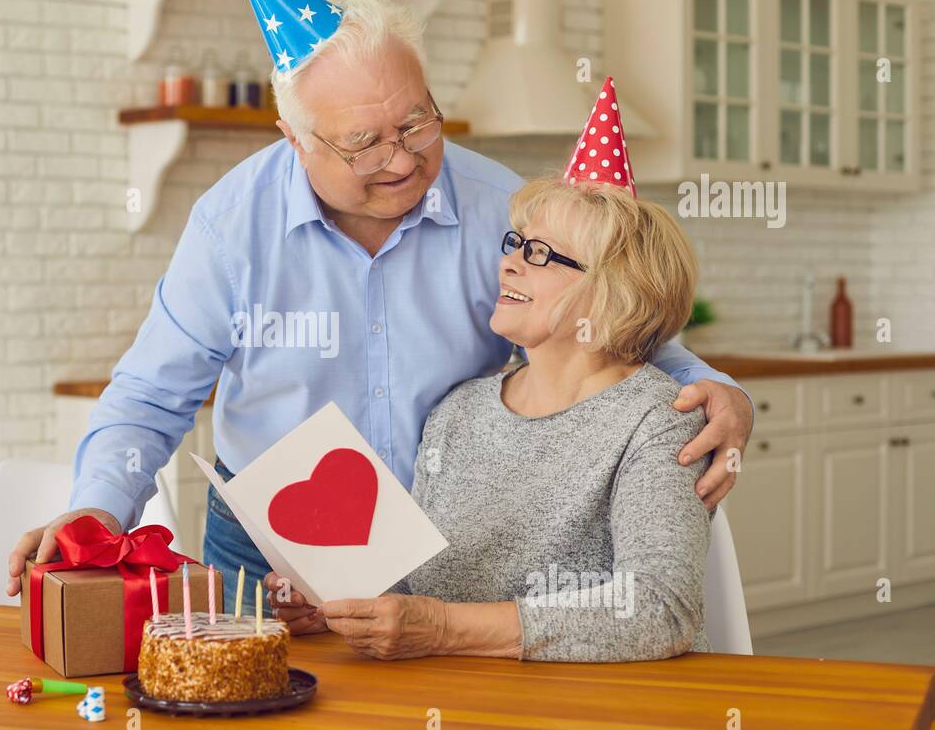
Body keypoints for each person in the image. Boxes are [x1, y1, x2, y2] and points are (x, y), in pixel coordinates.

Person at [5, 0, 752, 614]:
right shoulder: (232, 225)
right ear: (293, 138)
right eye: (362, 142)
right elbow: (149, 396)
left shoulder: (500, 208)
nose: (399, 159)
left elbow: (616, 323)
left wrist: (716, 386)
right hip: (268, 546)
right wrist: (96, 515)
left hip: (448, 547)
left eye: (415, 121)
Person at [271, 142, 717, 661]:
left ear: (613, 293)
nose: (507, 265)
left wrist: (442, 629)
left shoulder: (660, 421)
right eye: (517, 244)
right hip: (454, 707)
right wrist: (338, 603)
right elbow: (426, 590)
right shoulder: (459, 409)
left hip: (596, 719)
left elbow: (660, 611)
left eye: (541, 255)